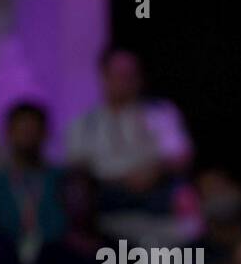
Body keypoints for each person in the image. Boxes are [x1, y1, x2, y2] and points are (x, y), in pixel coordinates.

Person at [65, 47, 194, 215]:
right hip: (105, 194)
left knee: (183, 194)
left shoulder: (159, 113)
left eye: (131, 75)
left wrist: (154, 171)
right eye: (119, 75)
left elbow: (180, 156)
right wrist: (118, 179)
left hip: (155, 190)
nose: (126, 81)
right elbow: (77, 167)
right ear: (104, 76)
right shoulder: (83, 123)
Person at [0, 100, 67, 264]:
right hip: (5, 262)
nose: (28, 137)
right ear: (9, 133)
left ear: (45, 133)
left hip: (57, 261)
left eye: (33, 131)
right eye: (22, 131)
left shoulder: (62, 181)